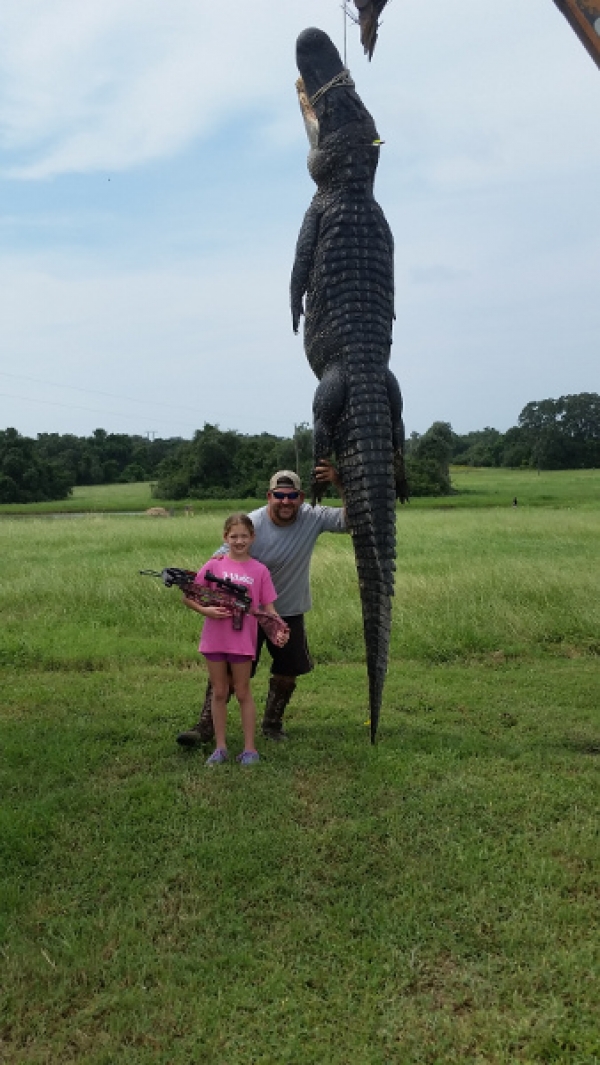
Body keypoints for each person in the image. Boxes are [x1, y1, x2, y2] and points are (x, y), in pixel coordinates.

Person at [177, 461, 346, 747]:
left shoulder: (313, 516)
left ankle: (272, 723)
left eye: (292, 496)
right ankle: (204, 727)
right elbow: (223, 557)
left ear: (301, 498)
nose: (285, 501)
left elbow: (352, 520)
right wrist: (207, 590)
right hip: (247, 612)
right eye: (279, 495)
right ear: (269, 496)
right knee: (231, 670)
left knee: (287, 670)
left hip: (289, 608)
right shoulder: (252, 524)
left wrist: (339, 483)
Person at [183, 512, 287, 766]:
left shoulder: (259, 570)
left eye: (243, 536)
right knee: (219, 692)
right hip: (214, 638)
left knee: (242, 692)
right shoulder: (213, 566)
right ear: (225, 537)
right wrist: (206, 611)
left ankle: (250, 748)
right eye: (233, 536)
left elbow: (269, 608)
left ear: (252, 537)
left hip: (242, 641)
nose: (239, 541)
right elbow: (189, 596)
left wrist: (279, 627)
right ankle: (220, 748)